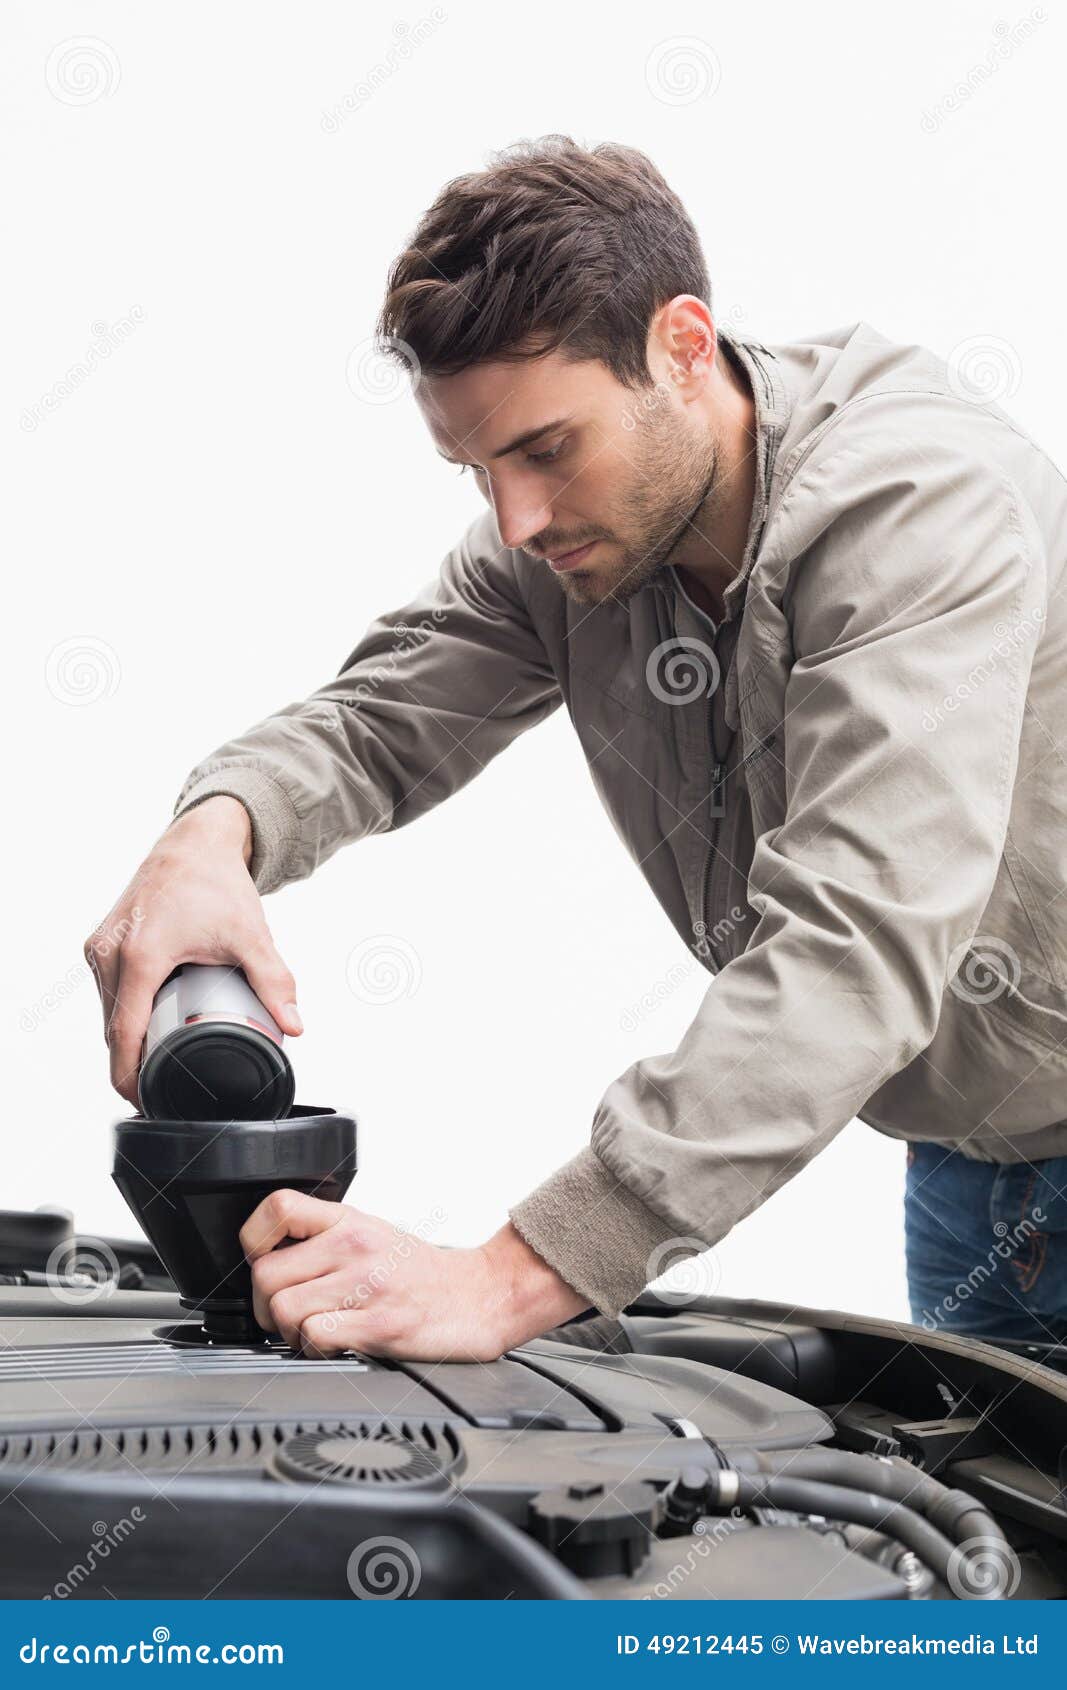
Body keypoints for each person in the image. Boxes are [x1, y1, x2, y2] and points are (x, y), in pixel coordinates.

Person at [86, 135, 1067, 1361]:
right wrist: (211, 836)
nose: (516, 519)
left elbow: (852, 945)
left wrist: (508, 1278)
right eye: (475, 467)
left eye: (546, 449)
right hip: (972, 1176)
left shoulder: (916, 508)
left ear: (682, 346)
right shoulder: (569, 549)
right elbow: (377, 720)